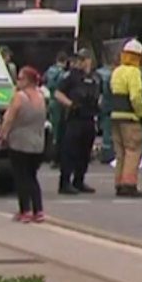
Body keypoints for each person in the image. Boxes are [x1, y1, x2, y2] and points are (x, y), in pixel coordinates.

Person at [0, 66, 48, 222]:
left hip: (19, 142)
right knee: (32, 176)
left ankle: (25, 210)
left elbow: (9, 118)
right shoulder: (41, 97)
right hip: (37, 143)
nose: (17, 81)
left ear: (28, 81)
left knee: (21, 177)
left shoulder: (19, 97)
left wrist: (2, 135)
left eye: (20, 78)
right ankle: (38, 210)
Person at [54, 49, 101, 194]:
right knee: (70, 152)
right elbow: (57, 93)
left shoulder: (94, 78)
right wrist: (70, 104)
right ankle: (65, 183)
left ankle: (79, 181)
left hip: (89, 118)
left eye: (85, 59)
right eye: (80, 60)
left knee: (84, 153)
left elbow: (99, 95)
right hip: (75, 119)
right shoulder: (71, 76)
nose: (82, 62)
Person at [110, 39, 142, 198]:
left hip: (116, 116)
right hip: (131, 118)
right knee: (133, 151)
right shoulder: (134, 72)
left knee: (120, 153)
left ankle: (119, 183)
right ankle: (129, 184)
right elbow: (135, 97)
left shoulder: (117, 71)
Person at [44, 51, 70, 163]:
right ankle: (55, 156)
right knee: (58, 130)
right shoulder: (62, 73)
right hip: (59, 103)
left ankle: (49, 153)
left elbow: (45, 82)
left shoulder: (49, 70)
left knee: (52, 128)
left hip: (51, 101)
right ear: (65, 61)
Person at [96, 52, 116, 165]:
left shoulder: (103, 76)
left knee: (106, 133)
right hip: (111, 108)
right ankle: (108, 155)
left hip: (105, 107)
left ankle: (105, 154)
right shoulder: (112, 78)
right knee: (109, 133)